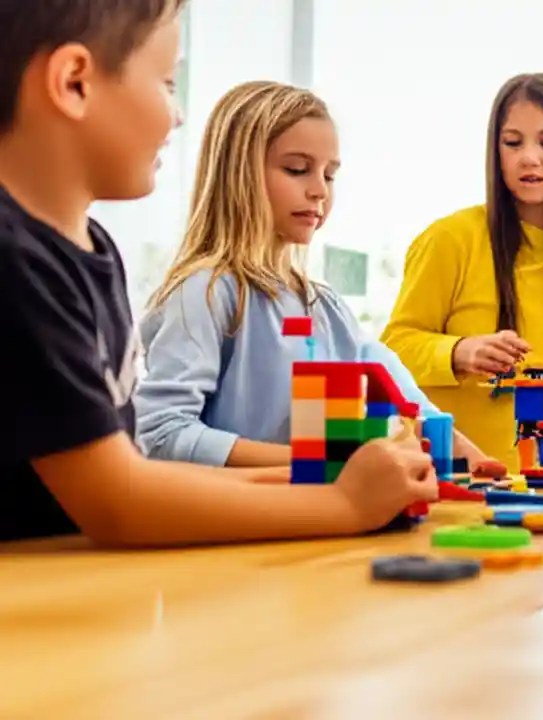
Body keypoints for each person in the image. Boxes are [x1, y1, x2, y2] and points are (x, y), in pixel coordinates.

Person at [0, 0, 435, 545]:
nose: (179, 114)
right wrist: (343, 502)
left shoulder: (90, 251)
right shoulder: (17, 262)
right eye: (167, 83)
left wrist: (338, 481)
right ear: (74, 82)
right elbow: (119, 500)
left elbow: (133, 477)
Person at [135, 81, 492, 471]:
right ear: (238, 174)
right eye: (297, 169)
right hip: (242, 509)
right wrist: (316, 467)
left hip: (315, 504)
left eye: (330, 175)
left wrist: (461, 451)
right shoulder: (204, 292)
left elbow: (401, 395)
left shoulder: (325, 306)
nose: (320, 190)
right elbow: (163, 433)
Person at [382, 73, 543, 469]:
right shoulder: (450, 239)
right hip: (454, 480)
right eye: (513, 142)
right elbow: (392, 349)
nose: (529, 157)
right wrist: (459, 351)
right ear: (496, 151)